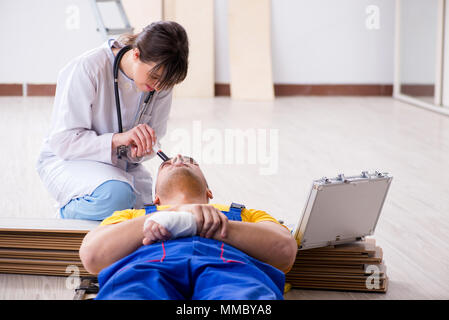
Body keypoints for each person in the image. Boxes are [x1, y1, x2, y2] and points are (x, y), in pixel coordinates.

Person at [79, 154, 298, 300]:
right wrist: (176, 214)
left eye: (191, 161)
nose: (178, 158)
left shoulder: (246, 214)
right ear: (155, 199)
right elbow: (92, 255)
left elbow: (284, 251)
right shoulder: (130, 216)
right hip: (145, 271)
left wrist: (214, 225)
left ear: (209, 192)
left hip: (232, 272)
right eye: (166, 164)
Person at [36, 21, 189, 220]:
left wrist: (138, 151)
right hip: (68, 159)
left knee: (151, 214)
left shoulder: (161, 84)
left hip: (119, 167)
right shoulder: (88, 68)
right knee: (116, 197)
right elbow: (63, 141)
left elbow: (154, 136)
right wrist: (118, 140)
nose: (159, 87)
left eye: (166, 83)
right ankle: (66, 214)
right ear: (136, 54)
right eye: (155, 77)